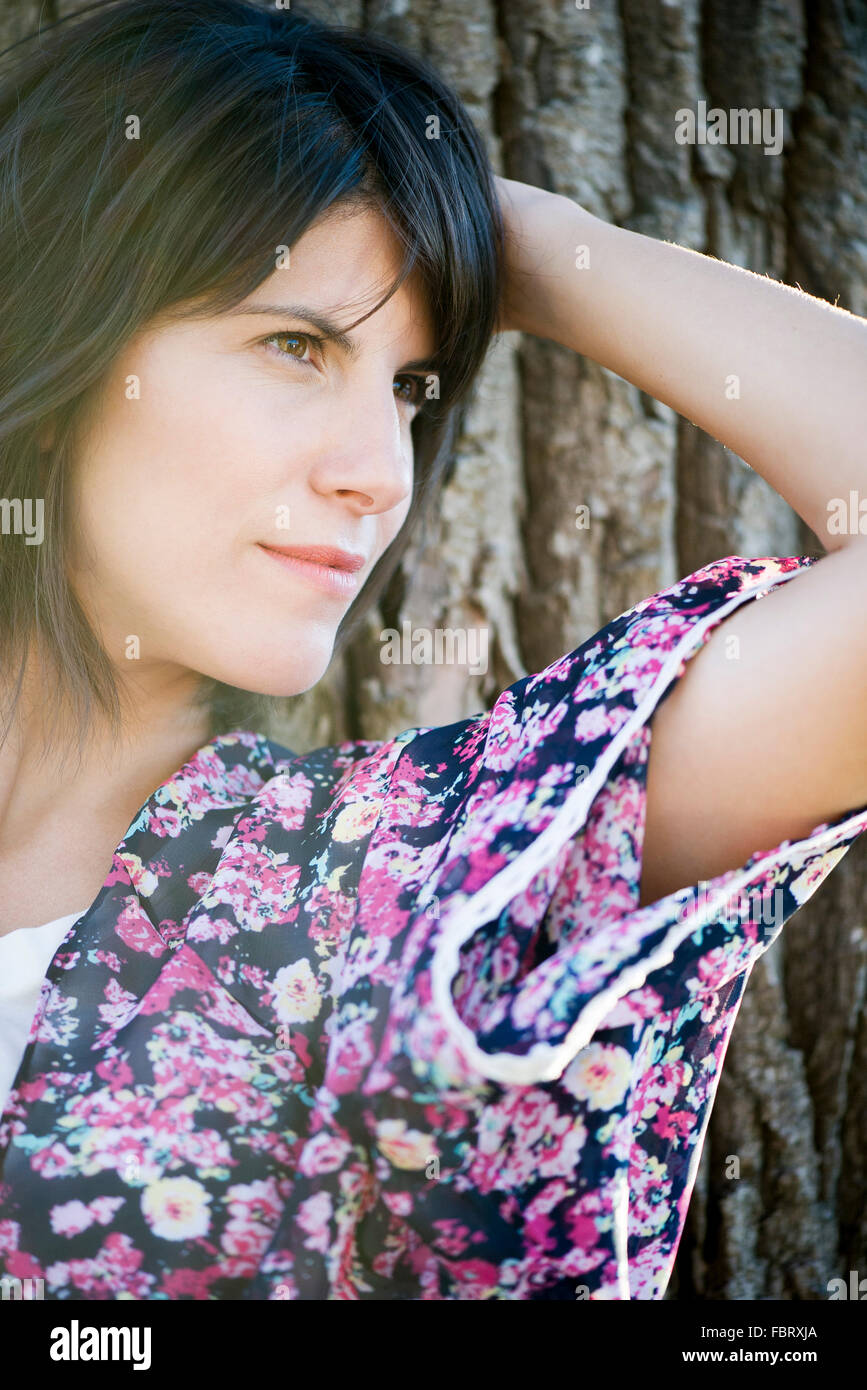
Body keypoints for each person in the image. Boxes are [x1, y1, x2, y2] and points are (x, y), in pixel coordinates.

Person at [0, 0, 865, 1301]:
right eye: (297, 345)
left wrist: (534, 243)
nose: (377, 476)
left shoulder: (365, 882)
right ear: (59, 341)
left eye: (411, 388)